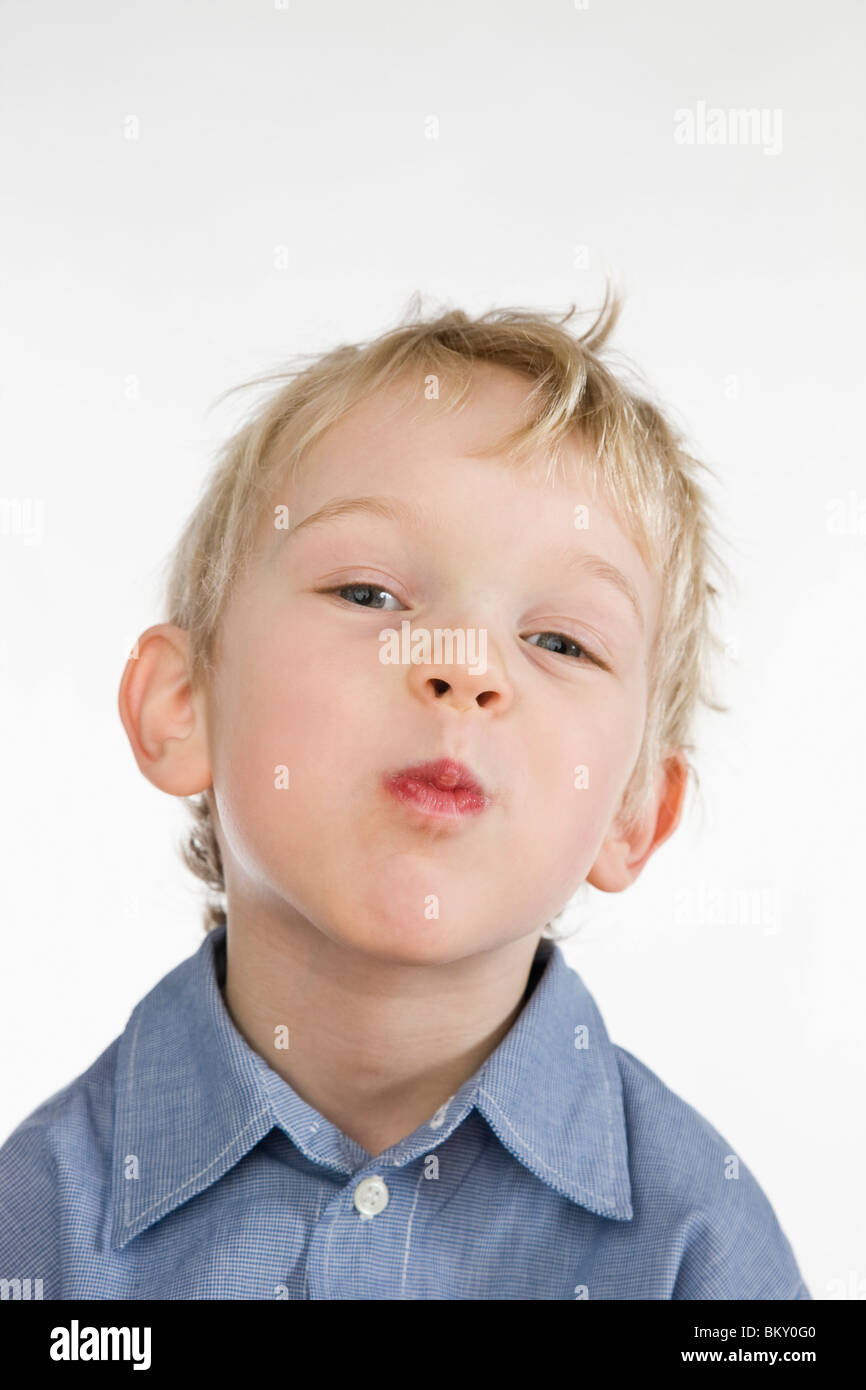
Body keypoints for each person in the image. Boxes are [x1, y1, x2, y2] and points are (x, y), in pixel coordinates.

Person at [0, 293, 811, 1298]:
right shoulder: (37, 1221)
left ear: (632, 813)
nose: (463, 665)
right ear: (184, 704)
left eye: (558, 640)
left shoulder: (701, 1241)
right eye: (370, 594)